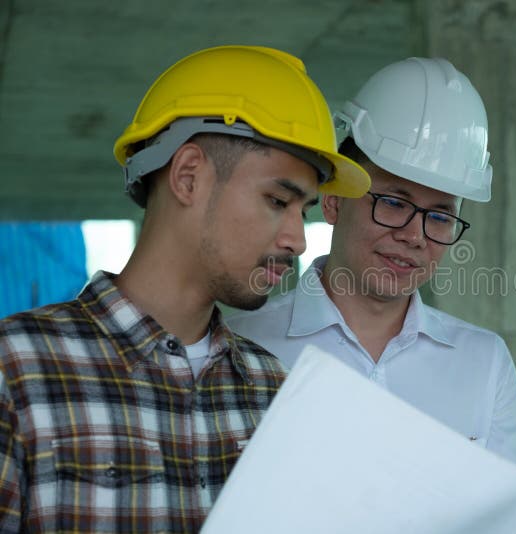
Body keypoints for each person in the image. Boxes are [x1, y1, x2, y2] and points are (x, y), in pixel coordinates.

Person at [0, 45, 370, 532]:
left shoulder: (272, 389)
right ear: (188, 177)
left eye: (304, 211)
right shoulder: (17, 372)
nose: (298, 239)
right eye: (278, 200)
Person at [229, 57, 516, 470]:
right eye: (393, 203)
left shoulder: (485, 362)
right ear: (334, 200)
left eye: (440, 217)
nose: (414, 236)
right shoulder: (241, 347)